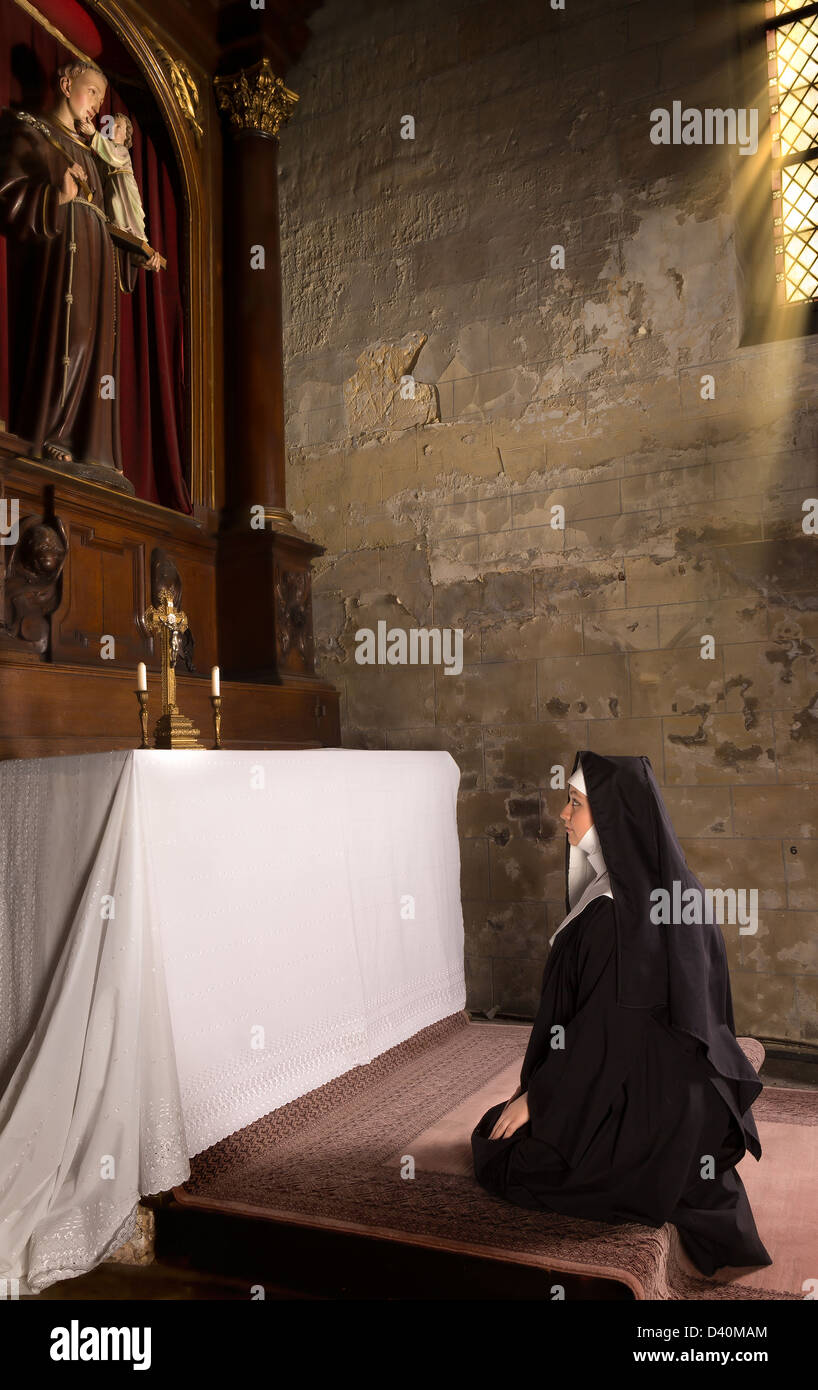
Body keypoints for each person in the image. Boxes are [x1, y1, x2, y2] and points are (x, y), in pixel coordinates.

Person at [471, 751, 772, 1278]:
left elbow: (603, 1034)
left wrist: (540, 1101)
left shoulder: (618, 915)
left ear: (613, 815)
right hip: (670, 1090)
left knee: (504, 1155)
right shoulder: (662, 889)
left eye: (575, 803)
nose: (563, 815)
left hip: (648, 1100)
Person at [0, 61, 160, 486]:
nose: (96, 107)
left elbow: (112, 216)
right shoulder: (30, 129)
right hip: (59, 258)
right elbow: (9, 194)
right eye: (91, 93)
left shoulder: (93, 154)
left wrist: (133, 252)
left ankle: (93, 447)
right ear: (66, 83)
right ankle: (54, 431)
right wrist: (56, 196)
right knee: (71, 337)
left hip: (98, 258)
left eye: (101, 100)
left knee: (98, 351)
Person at [80, 111, 147, 241]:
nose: (111, 128)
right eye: (111, 125)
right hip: (110, 191)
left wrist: (94, 134)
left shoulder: (122, 151)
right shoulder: (103, 154)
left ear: (126, 135)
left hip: (125, 191)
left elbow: (112, 154)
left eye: (118, 126)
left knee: (122, 211)